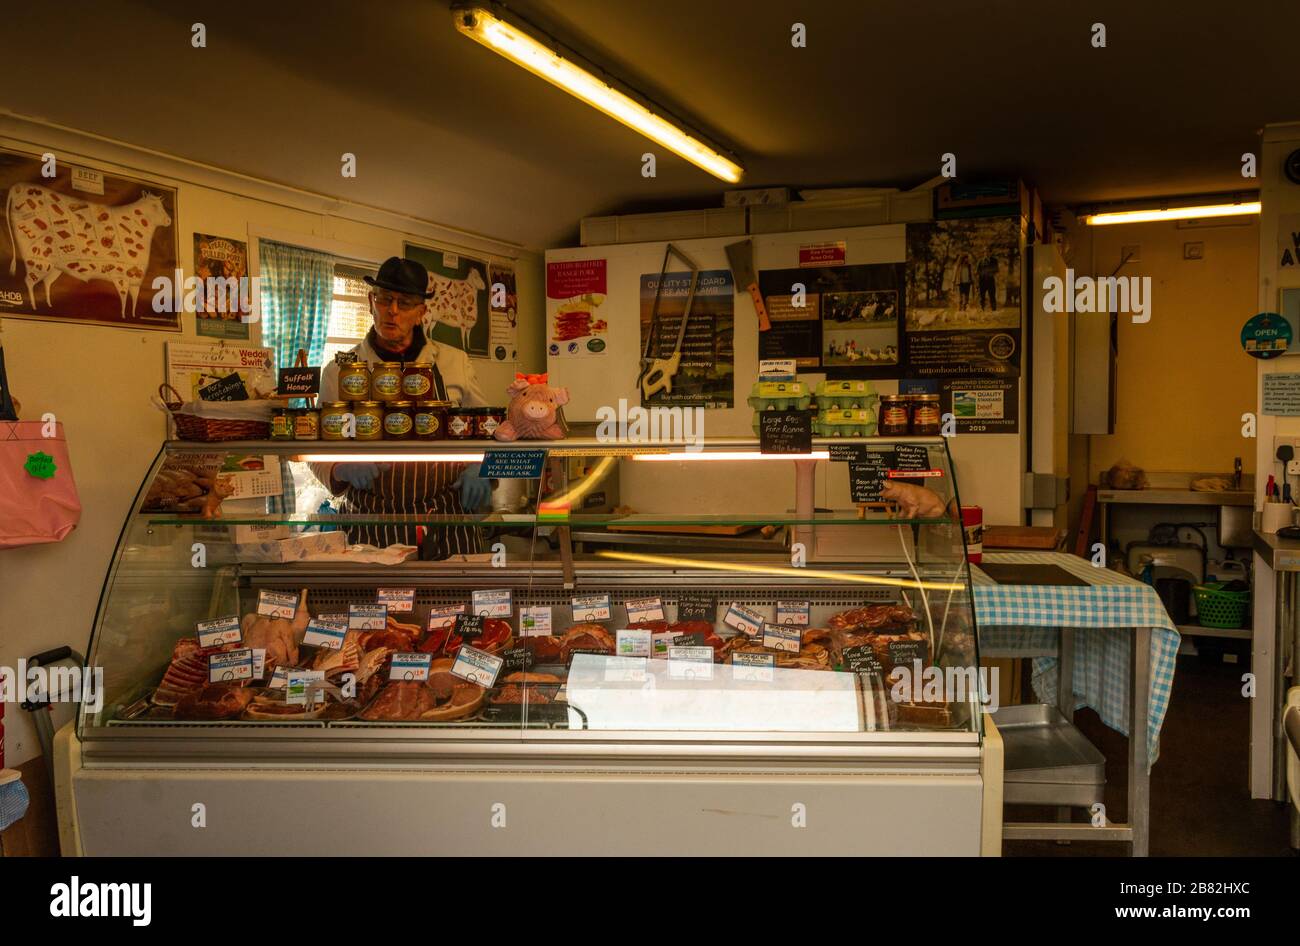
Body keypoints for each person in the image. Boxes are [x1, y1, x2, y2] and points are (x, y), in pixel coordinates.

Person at [314, 256, 492, 559]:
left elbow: (488, 430)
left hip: (446, 519)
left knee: (455, 603)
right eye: (385, 299)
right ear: (372, 301)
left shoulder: (454, 363)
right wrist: (339, 467)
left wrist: (484, 468)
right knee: (373, 606)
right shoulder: (340, 368)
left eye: (405, 302)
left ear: (421, 311)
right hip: (371, 522)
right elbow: (315, 446)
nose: (392, 311)